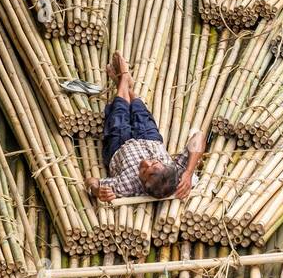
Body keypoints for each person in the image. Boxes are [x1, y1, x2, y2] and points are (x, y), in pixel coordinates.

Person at [87, 53, 205, 202]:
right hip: (150, 139)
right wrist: (188, 172)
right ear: (165, 166)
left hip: (119, 145)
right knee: (139, 108)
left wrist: (97, 190)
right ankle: (123, 84)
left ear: (142, 185)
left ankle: (123, 78)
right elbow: (199, 136)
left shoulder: (127, 186)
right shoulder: (175, 173)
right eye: (154, 163)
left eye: (143, 171)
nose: (145, 162)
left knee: (119, 109)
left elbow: (91, 181)